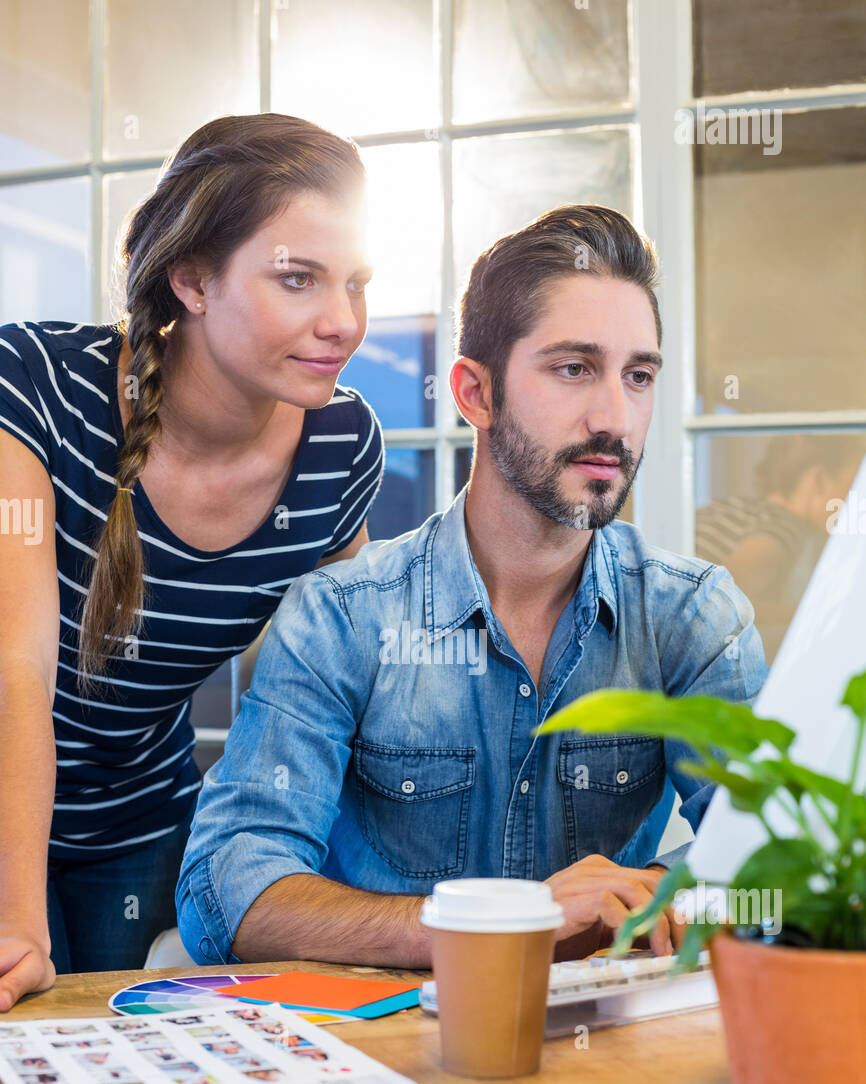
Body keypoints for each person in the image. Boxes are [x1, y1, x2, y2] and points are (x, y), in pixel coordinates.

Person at [176, 204, 769, 970]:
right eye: (573, 368)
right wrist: (506, 921)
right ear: (475, 394)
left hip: (613, 1057)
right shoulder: (343, 619)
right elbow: (224, 894)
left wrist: (661, 889)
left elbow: (781, 872)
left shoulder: (692, 617)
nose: (616, 418)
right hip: (390, 1063)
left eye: (639, 376)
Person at [0, 112, 385, 1010]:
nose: (343, 323)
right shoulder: (31, 386)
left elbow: (330, 690)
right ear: (192, 279)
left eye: (356, 283)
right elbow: (15, 670)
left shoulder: (341, 444)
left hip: (143, 823)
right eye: (298, 279)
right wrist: (17, 924)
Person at [694, 437, 862, 661]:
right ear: (819, 479)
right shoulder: (784, 530)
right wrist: (812, 615)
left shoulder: (736, 507)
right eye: (854, 486)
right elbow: (720, 601)